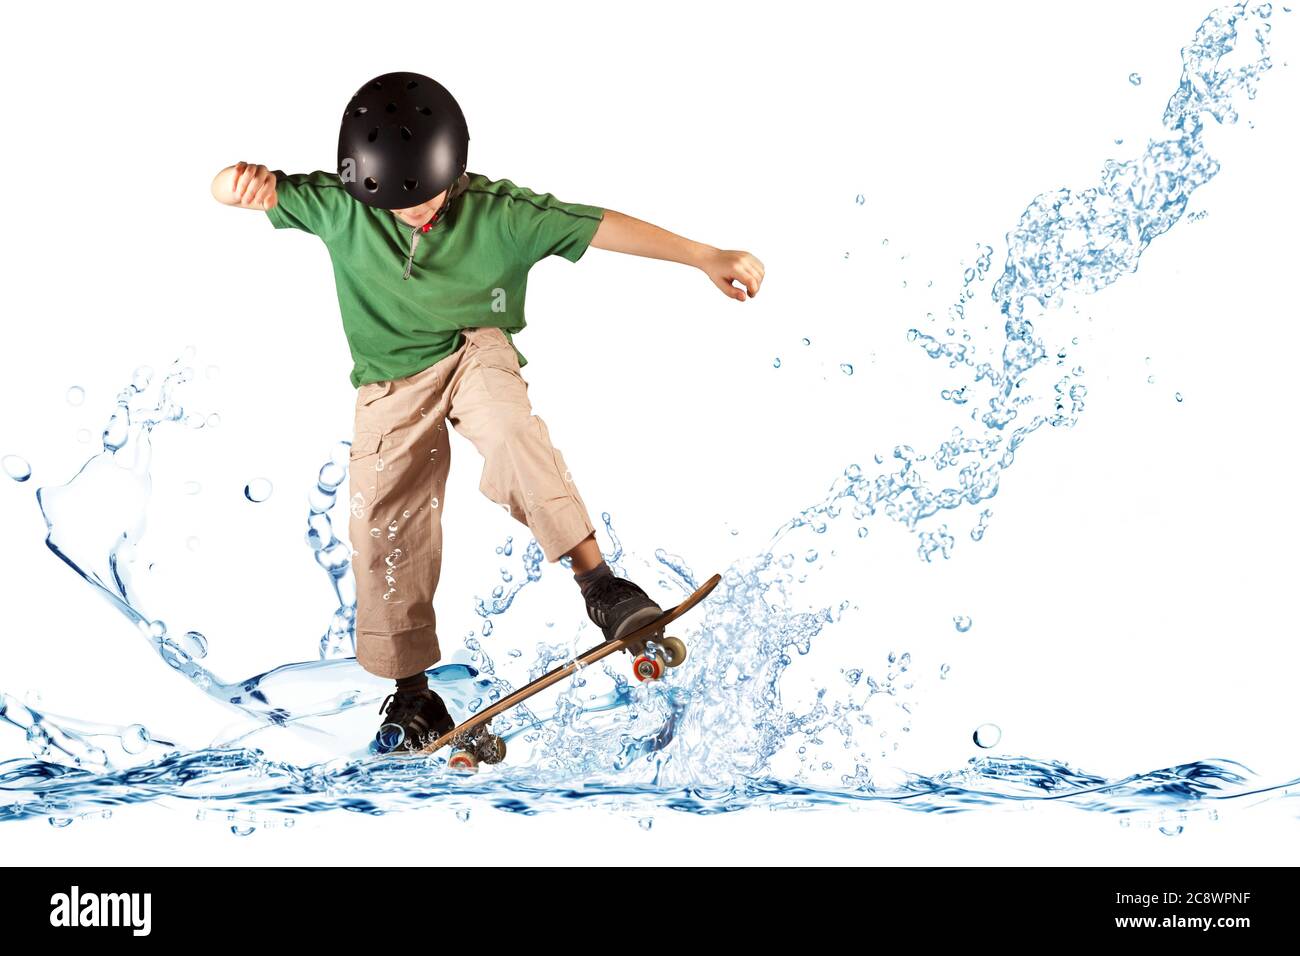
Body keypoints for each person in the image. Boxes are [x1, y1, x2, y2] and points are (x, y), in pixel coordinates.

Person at [211, 72, 764, 754]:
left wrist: (704, 255)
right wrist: (233, 183)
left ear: (456, 169)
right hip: (390, 381)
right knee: (381, 518)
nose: (413, 214)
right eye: (394, 203)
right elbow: (241, 191)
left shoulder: (503, 212)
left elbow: (598, 226)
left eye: (427, 197)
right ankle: (413, 695)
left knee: (509, 431)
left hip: (476, 348)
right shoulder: (340, 204)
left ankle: (604, 588)